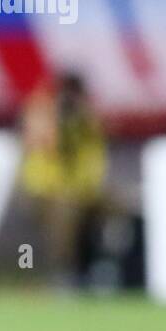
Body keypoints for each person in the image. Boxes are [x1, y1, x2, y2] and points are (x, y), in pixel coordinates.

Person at [19, 70, 108, 288]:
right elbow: (45, 143)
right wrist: (55, 118)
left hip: (85, 190)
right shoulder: (41, 110)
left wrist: (81, 116)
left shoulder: (86, 115)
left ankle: (105, 271)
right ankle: (63, 274)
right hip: (44, 191)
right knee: (65, 213)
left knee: (117, 209)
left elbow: (98, 139)